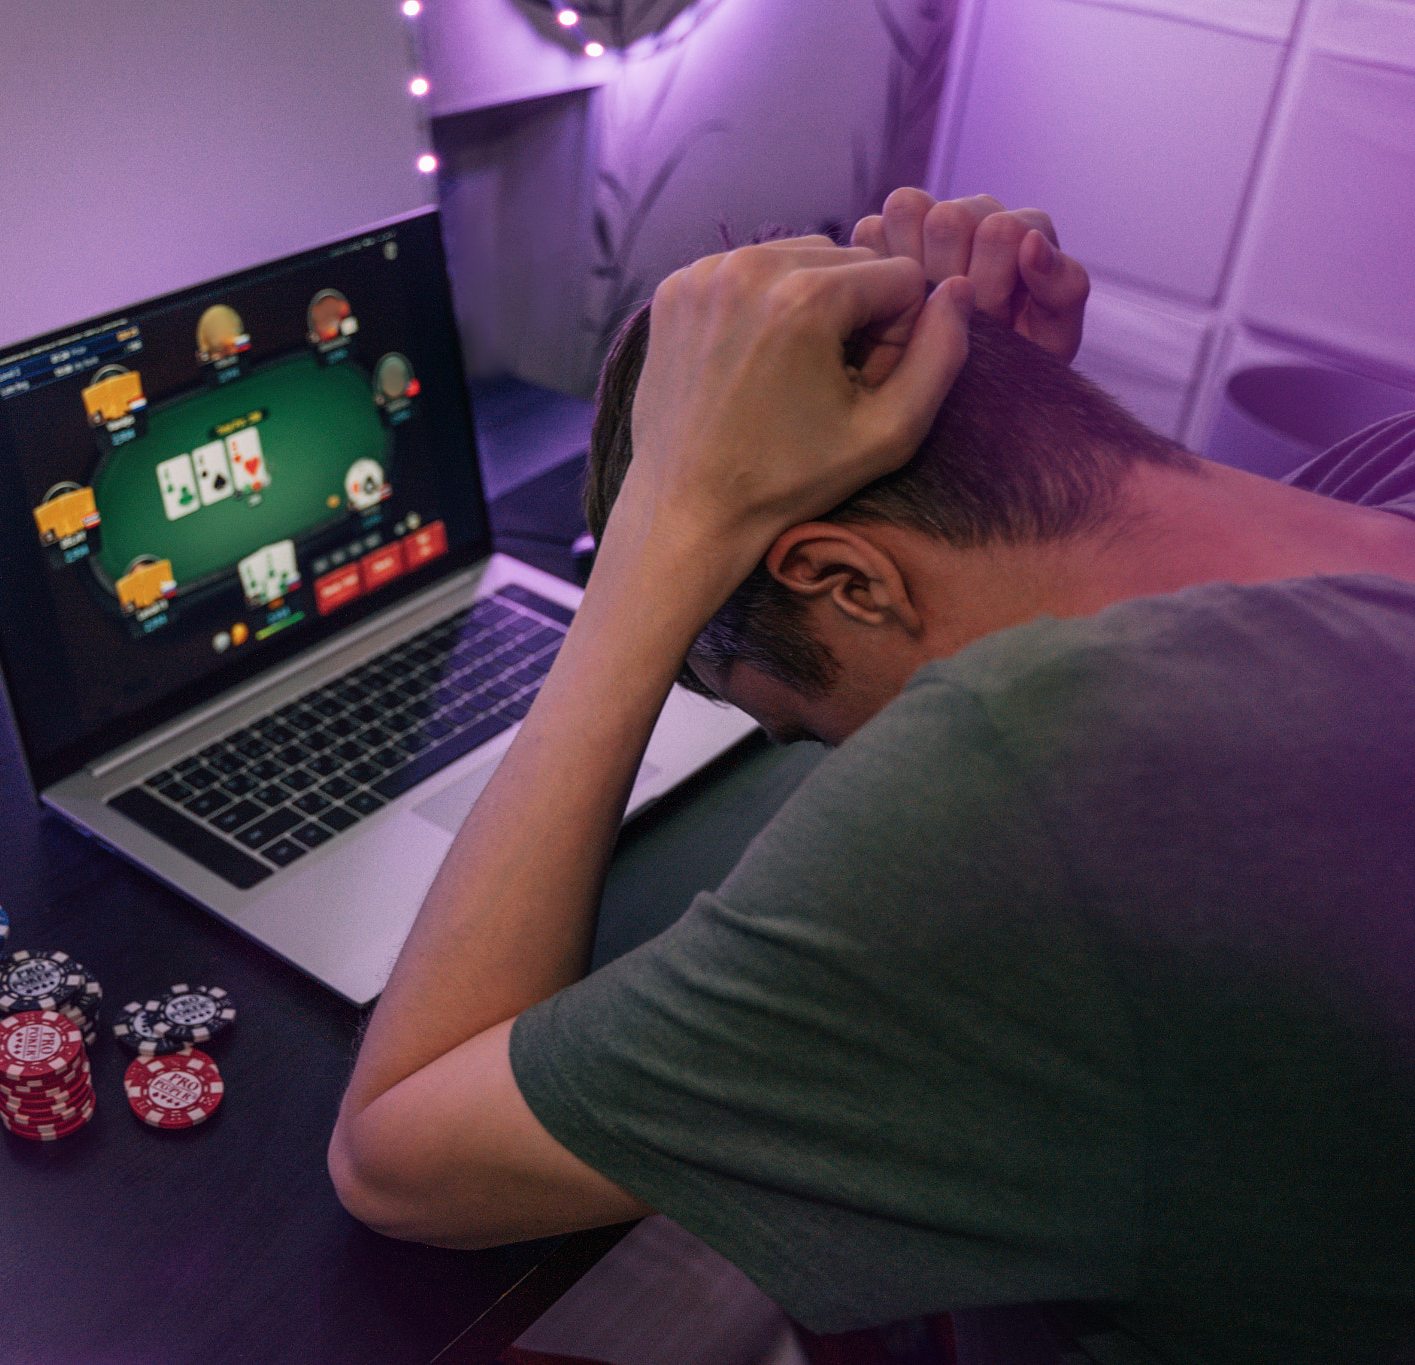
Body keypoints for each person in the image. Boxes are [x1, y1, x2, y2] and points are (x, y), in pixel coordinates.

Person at [326, 188, 1415, 1363]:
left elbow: (394, 1159)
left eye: (804, 723)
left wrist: (649, 565)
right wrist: (985, 402)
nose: (846, 758)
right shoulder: (1374, 475)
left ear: (848, 582)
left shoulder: (1027, 785)